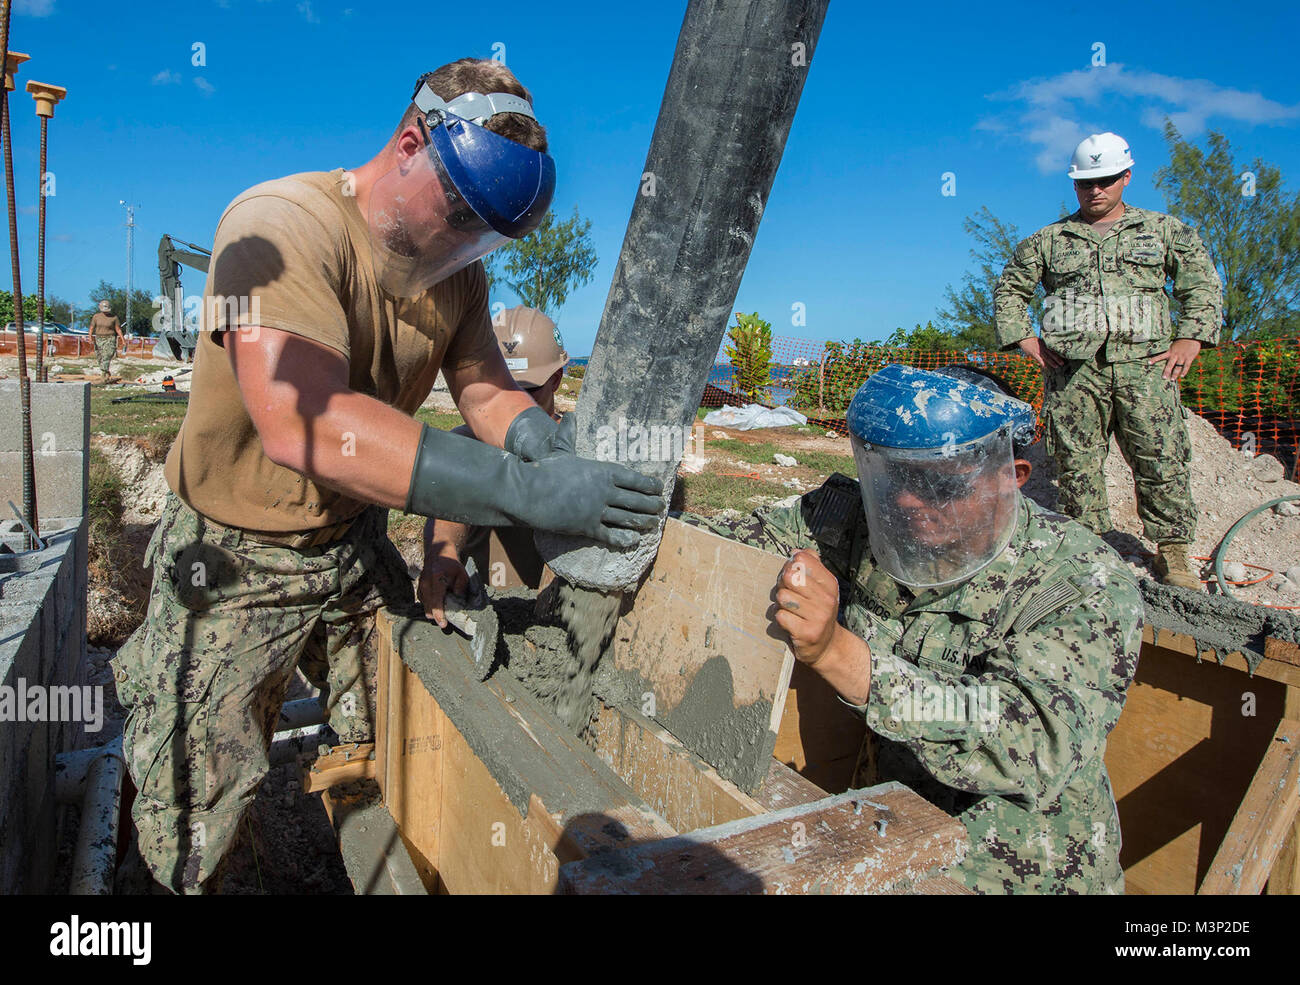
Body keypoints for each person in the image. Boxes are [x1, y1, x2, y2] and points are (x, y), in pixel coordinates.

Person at [113, 59, 664, 894]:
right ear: (410, 145)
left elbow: (481, 386)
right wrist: (518, 491)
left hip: (350, 539)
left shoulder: (456, 272)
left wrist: (545, 450)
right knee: (190, 802)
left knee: (414, 721)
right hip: (232, 558)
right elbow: (308, 421)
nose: (464, 248)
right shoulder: (279, 227)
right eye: (458, 219)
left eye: (483, 236)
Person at [688, 364, 1143, 893]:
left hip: (1012, 873)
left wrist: (840, 656)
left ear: (1010, 477)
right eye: (895, 477)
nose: (906, 500)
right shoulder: (855, 516)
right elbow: (724, 541)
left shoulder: (1080, 582)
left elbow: (1032, 742)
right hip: (887, 840)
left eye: (937, 483)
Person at [993, 132, 1223, 591]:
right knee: (1076, 463)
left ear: (1126, 177)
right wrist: (1024, 338)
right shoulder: (1049, 240)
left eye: (1106, 179)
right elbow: (1009, 290)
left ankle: (1173, 552)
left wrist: (1191, 339)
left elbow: (1202, 285)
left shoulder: (1164, 230)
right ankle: (1088, 548)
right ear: (1074, 185)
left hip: (1146, 367)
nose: (1095, 190)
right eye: (1085, 183)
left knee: (1160, 457)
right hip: (1074, 373)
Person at [419, 305, 568, 620]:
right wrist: (443, 551)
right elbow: (450, 500)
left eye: (526, 391)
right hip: (488, 610)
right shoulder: (469, 443)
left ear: (556, 379)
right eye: (502, 390)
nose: (513, 405)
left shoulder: (578, 446)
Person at [87, 299, 124, 379]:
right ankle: (106, 371)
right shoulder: (96, 317)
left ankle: (104, 374)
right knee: (100, 357)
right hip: (99, 339)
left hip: (110, 339)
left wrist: (122, 339)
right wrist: (90, 337)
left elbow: (118, 329)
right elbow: (91, 328)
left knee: (107, 355)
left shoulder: (114, 318)